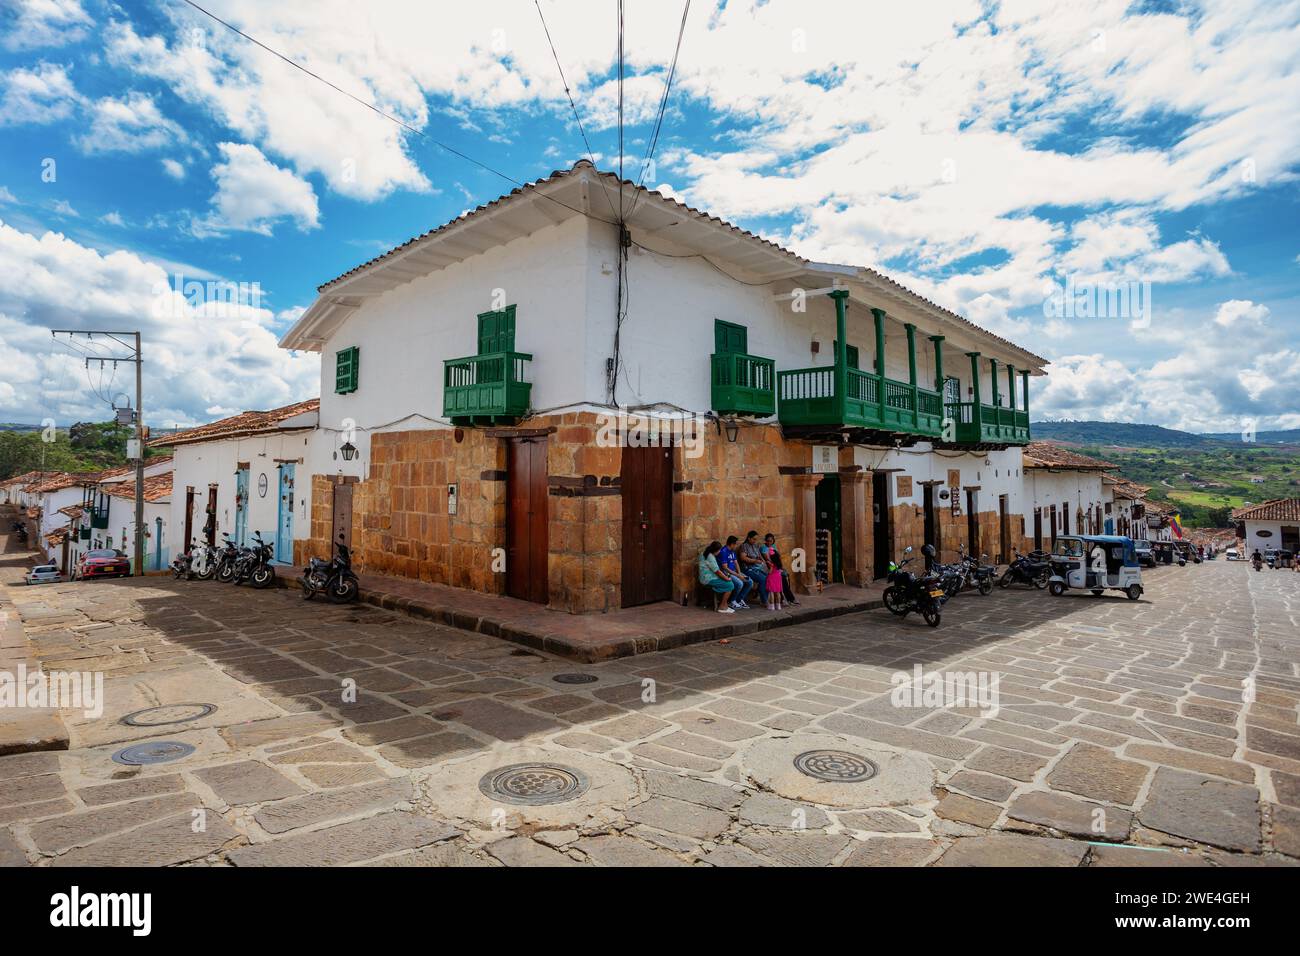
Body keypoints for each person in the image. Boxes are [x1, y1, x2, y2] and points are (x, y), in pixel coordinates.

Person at [697, 542, 737, 613]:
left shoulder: (704, 553)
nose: (719, 552)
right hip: (708, 579)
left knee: (727, 583)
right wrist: (726, 578)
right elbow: (717, 571)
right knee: (730, 585)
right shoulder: (711, 557)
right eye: (719, 550)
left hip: (704, 577)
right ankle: (722, 606)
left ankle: (725, 605)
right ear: (716, 550)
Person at [717, 536, 754, 608]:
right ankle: (732, 601)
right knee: (739, 583)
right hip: (726, 573)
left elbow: (736, 563)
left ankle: (739, 599)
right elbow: (725, 568)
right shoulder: (723, 552)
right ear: (731, 544)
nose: (736, 546)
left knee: (750, 582)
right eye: (735, 544)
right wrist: (738, 575)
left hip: (734, 572)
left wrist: (739, 573)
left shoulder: (732, 551)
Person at [763, 532, 799, 606]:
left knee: (785, 577)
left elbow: (778, 558)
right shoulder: (764, 548)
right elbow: (767, 559)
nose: (770, 542)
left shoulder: (774, 547)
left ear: (773, 541)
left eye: (771, 541)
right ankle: (783, 599)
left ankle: (789, 598)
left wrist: (781, 567)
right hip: (769, 568)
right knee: (781, 579)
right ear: (765, 541)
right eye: (768, 541)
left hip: (776, 567)